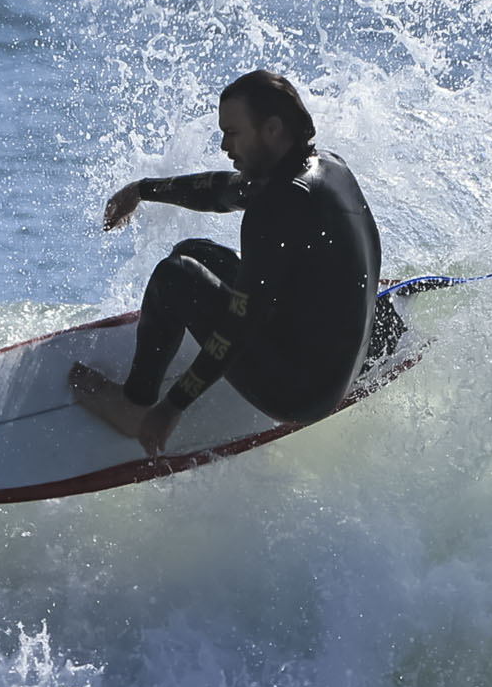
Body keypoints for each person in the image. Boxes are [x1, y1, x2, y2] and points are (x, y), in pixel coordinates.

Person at [69, 70, 394, 456]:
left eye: (233, 133)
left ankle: (134, 406)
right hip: (347, 361)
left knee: (177, 276)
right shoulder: (329, 166)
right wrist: (142, 190)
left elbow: (240, 325)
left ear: (271, 129)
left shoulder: (275, 208)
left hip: (302, 395)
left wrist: (172, 406)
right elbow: (223, 191)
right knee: (194, 251)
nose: (224, 145)